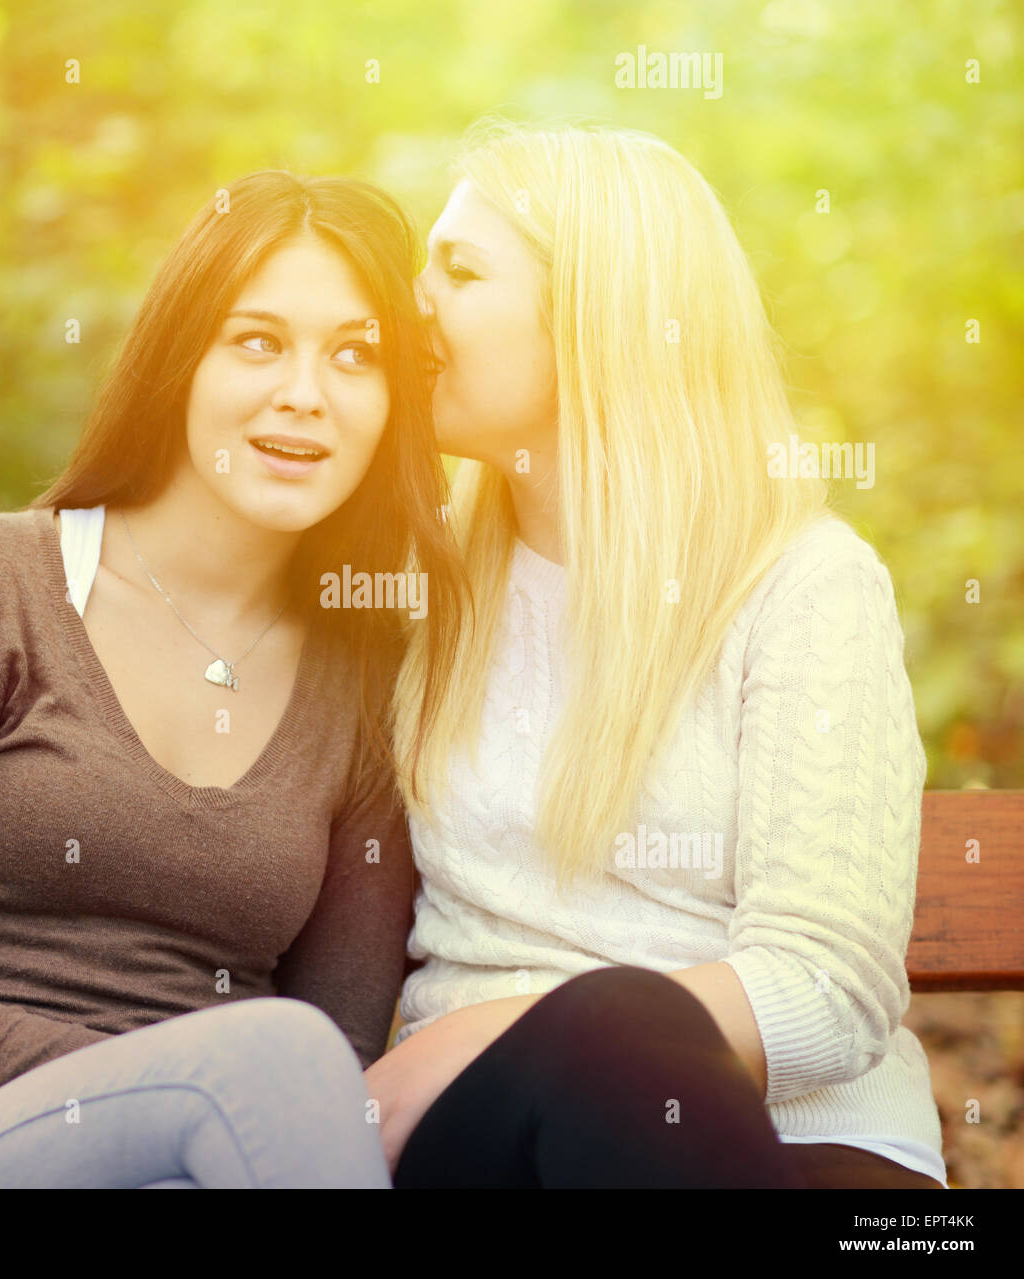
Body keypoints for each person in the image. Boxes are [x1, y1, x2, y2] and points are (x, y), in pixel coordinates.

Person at [0, 168, 469, 1189]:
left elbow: (338, 1052)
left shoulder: (368, 682)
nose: (305, 394)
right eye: (258, 341)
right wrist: (171, 1086)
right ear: (181, 355)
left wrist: (197, 1112)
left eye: (357, 356)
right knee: (275, 1061)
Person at [369, 118, 947, 1190]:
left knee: (617, 1024)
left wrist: (510, 1026)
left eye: (458, 268)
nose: (413, 302)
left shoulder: (801, 583)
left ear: (595, 312)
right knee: (606, 1031)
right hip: (487, 1150)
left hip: (807, 1154)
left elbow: (828, 986)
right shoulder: (420, 584)